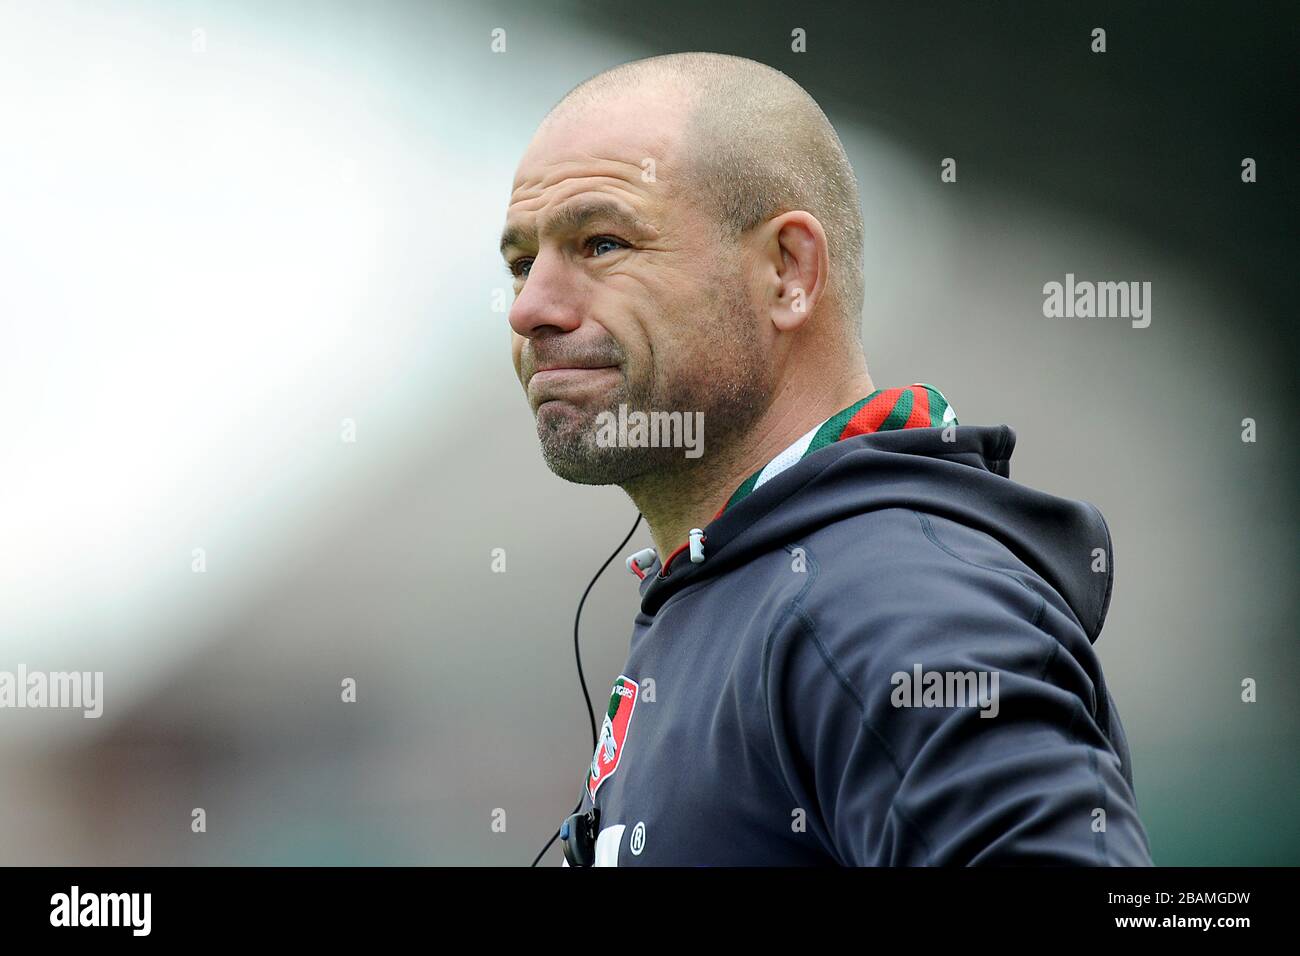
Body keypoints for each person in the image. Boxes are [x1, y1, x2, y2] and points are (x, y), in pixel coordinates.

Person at [499, 51, 1152, 866]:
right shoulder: (748, 583)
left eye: (600, 243)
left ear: (788, 272)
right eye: (522, 263)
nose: (529, 308)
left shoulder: (890, 600)